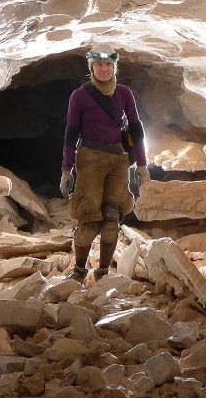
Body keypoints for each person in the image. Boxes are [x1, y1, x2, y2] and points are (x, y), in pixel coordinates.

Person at [59, 43, 149, 283]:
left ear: (114, 67)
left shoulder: (124, 93)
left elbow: (136, 128)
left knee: (111, 217)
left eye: (108, 64)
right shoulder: (80, 96)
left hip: (118, 159)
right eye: (98, 64)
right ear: (91, 67)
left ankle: (103, 273)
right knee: (89, 219)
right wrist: (66, 169)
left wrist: (142, 164)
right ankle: (79, 270)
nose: (104, 69)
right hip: (90, 158)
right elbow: (71, 133)